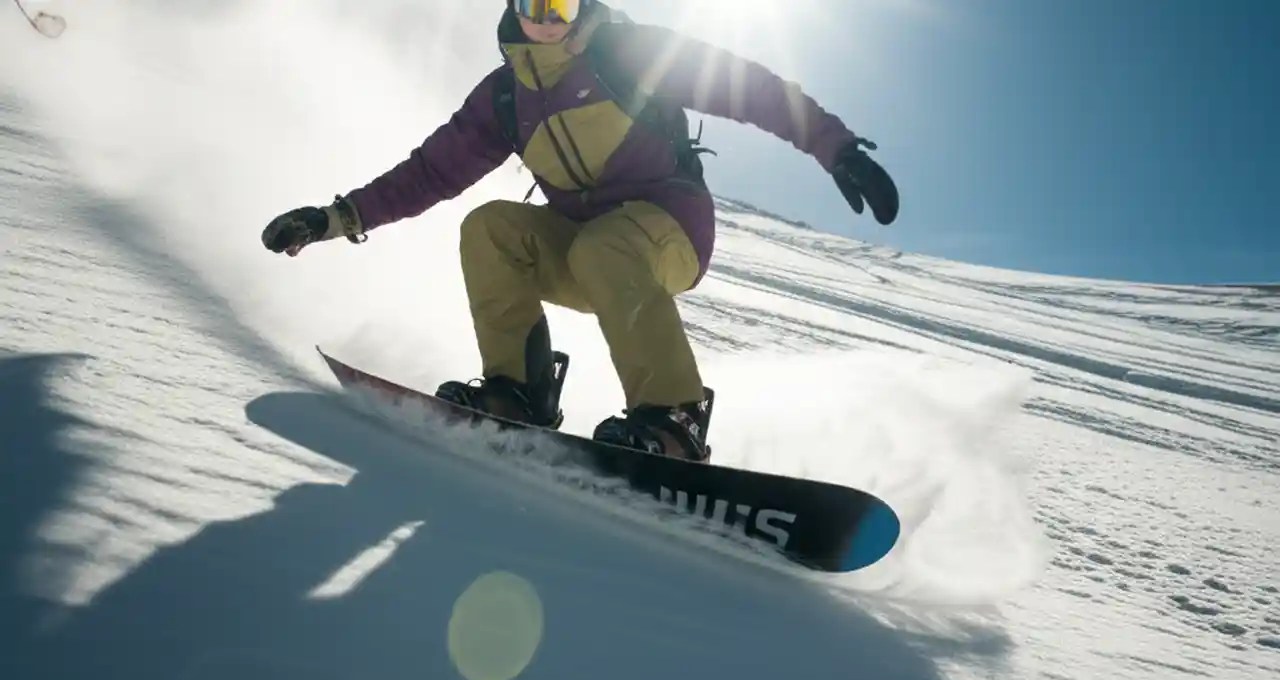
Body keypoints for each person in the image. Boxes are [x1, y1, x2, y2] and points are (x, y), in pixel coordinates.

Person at [260, 0, 899, 462]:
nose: (548, 17)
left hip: (667, 231)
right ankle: (517, 392)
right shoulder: (504, 96)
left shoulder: (627, 54)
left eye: (562, 5)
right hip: (587, 248)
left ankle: (672, 419)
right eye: (536, 3)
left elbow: (749, 89)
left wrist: (835, 148)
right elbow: (430, 173)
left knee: (607, 245)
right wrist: (334, 219)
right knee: (490, 228)